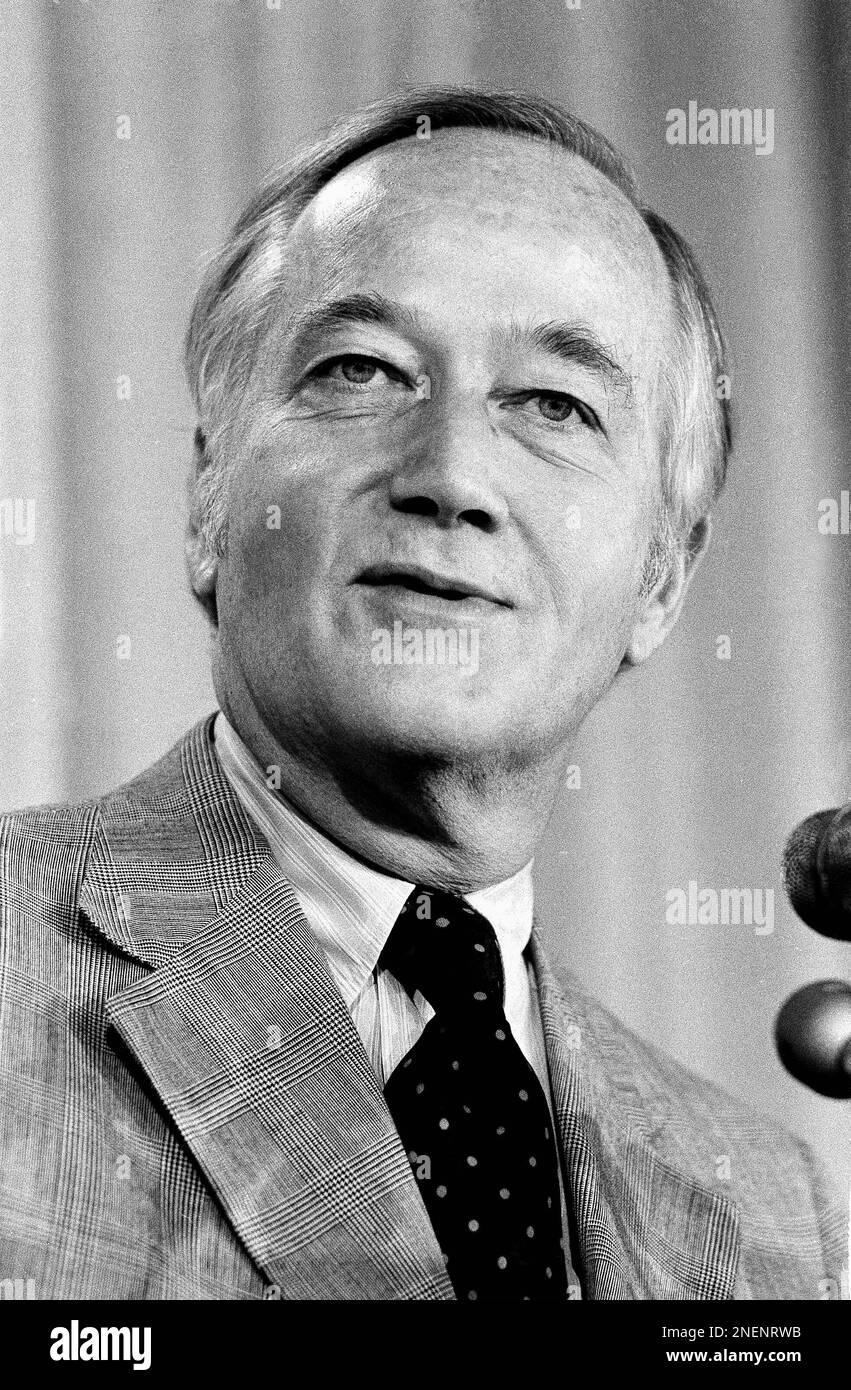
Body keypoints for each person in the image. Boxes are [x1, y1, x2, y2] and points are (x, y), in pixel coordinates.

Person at [0, 87, 845, 1301]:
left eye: (553, 405)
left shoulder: (770, 1217)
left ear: (661, 576)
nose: (450, 475)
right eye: (363, 370)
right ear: (208, 499)